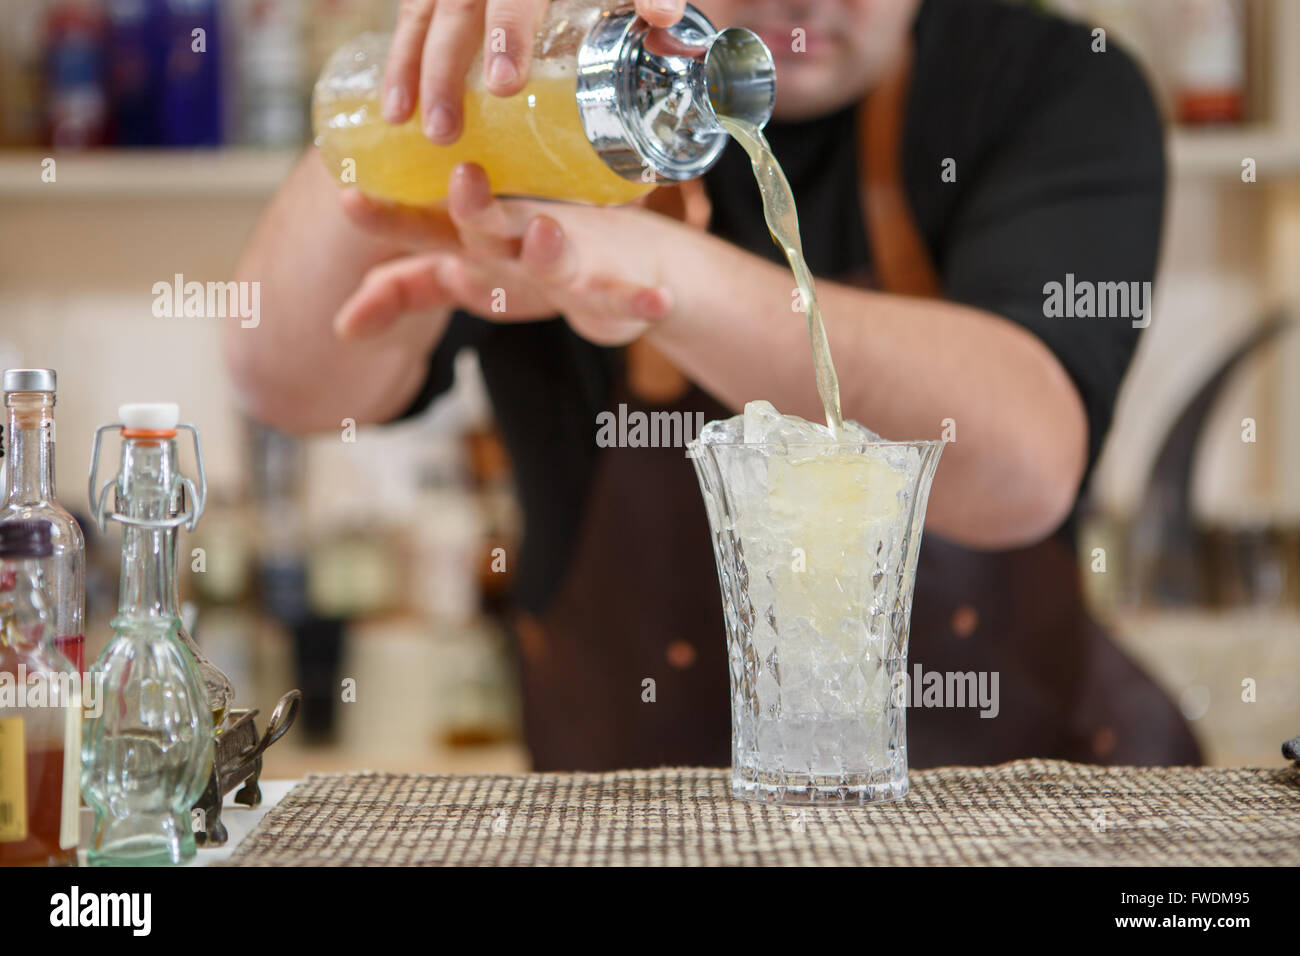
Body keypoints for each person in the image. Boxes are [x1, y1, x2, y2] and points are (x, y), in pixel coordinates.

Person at [226, 0, 1201, 770]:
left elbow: (1019, 463)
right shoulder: (563, 100)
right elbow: (287, 377)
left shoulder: (1048, 83)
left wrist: (664, 283)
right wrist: (444, 79)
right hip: (630, 835)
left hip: (1022, 827)